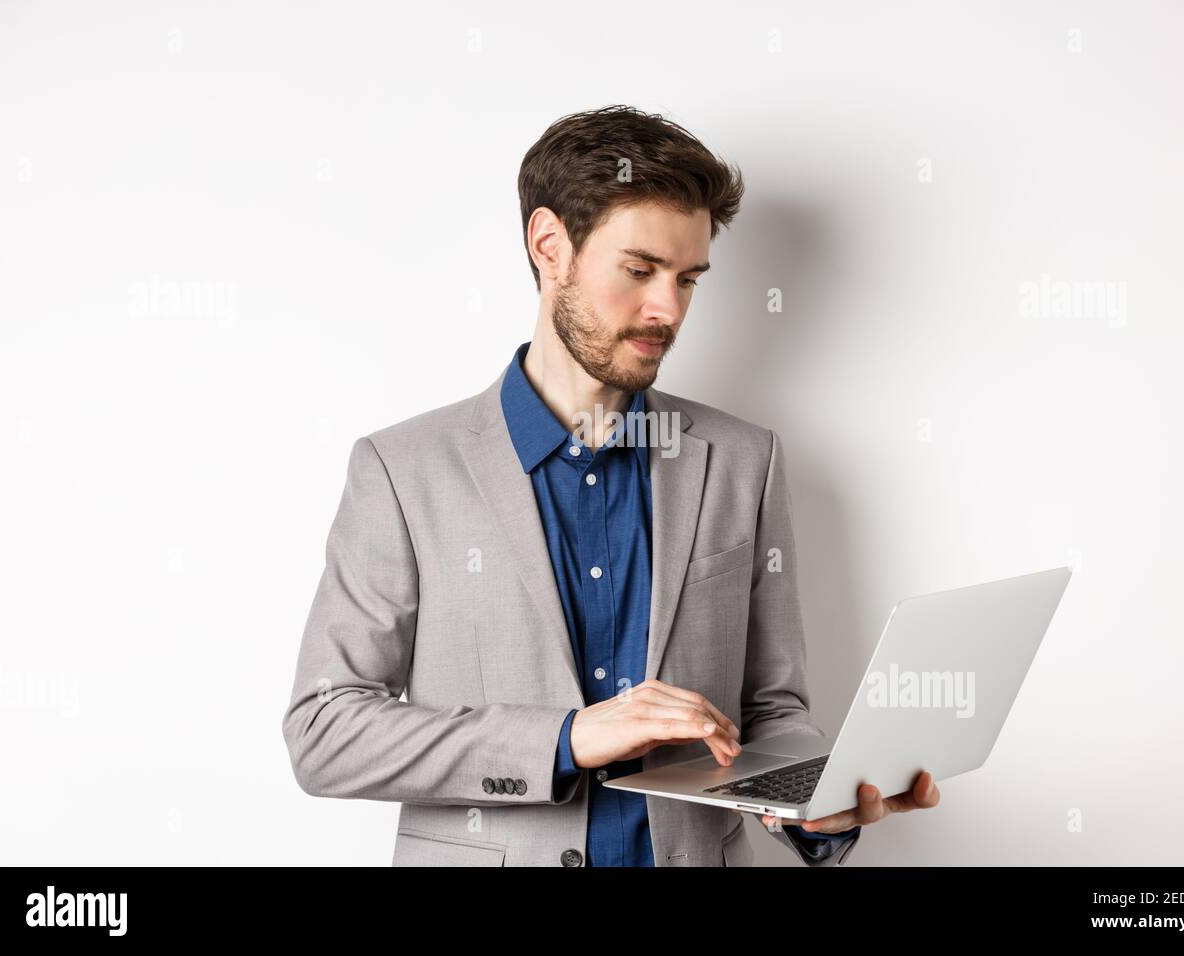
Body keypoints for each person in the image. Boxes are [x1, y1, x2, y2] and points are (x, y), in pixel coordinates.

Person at [281, 105, 939, 866]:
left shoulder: (742, 460)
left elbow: (771, 709)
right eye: (639, 270)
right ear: (550, 245)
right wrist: (567, 738)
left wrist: (808, 797)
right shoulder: (402, 471)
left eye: (688, 279)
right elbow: (324, 731)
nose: (668, 309)